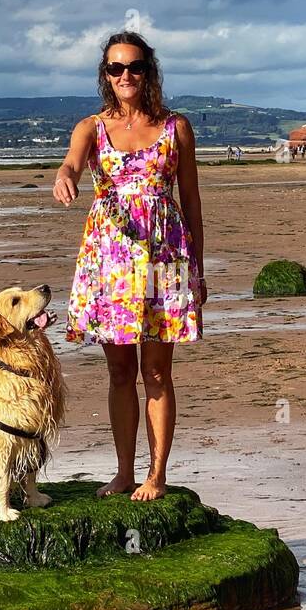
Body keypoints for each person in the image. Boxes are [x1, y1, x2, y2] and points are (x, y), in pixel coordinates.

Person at [53, 31, 205, 502]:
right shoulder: (91, 127)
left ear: (148, 71)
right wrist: (64, 178)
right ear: (105, 75)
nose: (125, 76)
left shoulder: (175, 127)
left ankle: (156, 475)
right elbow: (71, 165)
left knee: (157, 372)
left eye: (134, 67)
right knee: (120, 372)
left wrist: (197, 268)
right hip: (111, 259)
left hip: (166, 257)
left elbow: (191, 199)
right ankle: (123, 472)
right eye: (115, 68)